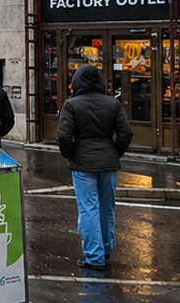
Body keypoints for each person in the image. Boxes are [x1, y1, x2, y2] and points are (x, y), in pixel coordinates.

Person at [57, 64, 133, 272]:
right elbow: (126, 133)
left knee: (88, 208)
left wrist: (70, 153)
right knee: (107, 208)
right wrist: (115, 152)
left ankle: (94, 256)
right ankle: (106, 250)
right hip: (108, 161)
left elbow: (64, 136)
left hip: (83, 162)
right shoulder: (112, 104)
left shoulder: (71, 104)